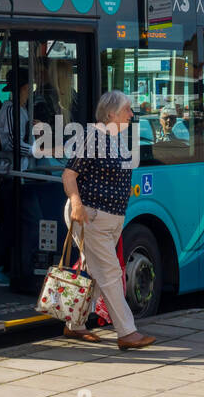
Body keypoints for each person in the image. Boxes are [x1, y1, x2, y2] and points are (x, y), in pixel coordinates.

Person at [60, 90, 156, 350]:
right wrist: (77, 205)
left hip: (110, 218)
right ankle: (127, 332)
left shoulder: (115, 140)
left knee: (94, 273)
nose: (131, 114)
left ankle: (74, 325)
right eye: (127, 109)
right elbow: (69, 175)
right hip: (90, 216)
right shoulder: (93, 137)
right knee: (111, 273)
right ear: (111, 114)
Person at [0, 67, 32, 285]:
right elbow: (12, 143)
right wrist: (36, 150)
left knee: (16, 222)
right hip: (10, 173)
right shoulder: (10, 109)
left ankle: (10, 266)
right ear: (24, 88)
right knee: (11, 223)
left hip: (20, 172)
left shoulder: (21, 109)